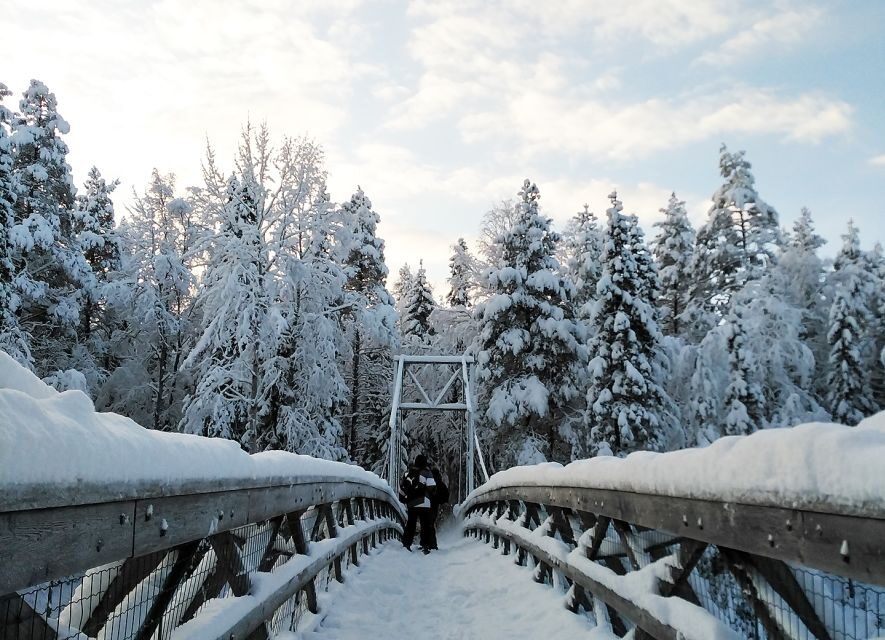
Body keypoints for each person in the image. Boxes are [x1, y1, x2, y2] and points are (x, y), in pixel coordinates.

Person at [399, 454, 436, 553]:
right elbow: (432, 486)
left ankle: (406, 543)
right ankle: (425, 545)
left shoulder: (408, 473)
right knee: (425, 524)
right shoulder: (427, 472)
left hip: (411, 502)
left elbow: (402, 487)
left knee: (411, 523)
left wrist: (403, 499)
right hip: (424, 502)